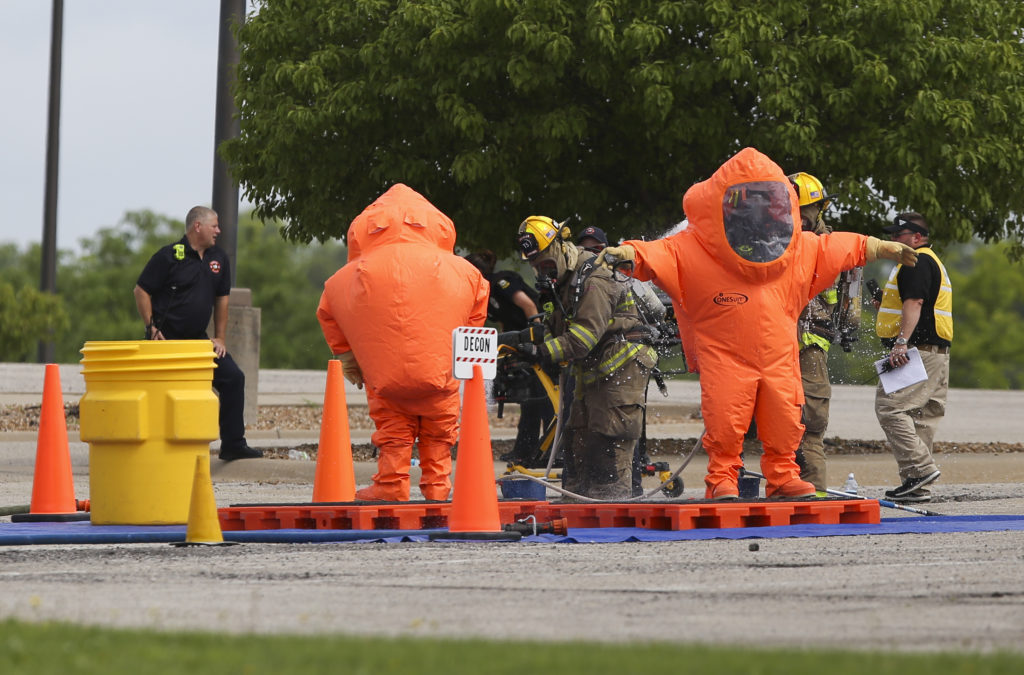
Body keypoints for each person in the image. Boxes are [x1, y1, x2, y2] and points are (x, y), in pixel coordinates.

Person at [596, 147, 917, 500]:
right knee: (725, 421)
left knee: (786, 419)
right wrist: (629, 252)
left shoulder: (795, 250)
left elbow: (835, 247)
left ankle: (783, 475)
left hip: (779, 358)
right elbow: (658, 254)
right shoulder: (696, 248)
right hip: (726, 357)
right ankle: (722, 478)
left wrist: (878, 247)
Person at [317, 184, 489, 501]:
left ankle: (391, 484)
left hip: (384, 378)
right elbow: (476, 312)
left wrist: (349, 357)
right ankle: (438, 486)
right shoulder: (466, 273)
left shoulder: (347, 276)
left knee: (393, 428)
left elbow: (328, 311)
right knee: (440, 432)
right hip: (442, 375)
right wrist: (458, 355)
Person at [510, 216, 658, 500]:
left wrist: (542, 352)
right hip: (591, 368)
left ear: (560, 247)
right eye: (536, 266)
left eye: (545, 263)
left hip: (620, 365)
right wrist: (530, 343)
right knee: (578, 439)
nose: (541, 270)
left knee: (608, 440)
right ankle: (579, 507)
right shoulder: (563, 282)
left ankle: (614, 508)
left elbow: (583, 337)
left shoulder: (594, 278)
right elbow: (557, 330)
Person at [133, 205, 261, 461]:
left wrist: (220, 337)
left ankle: (233, 444)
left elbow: (222, 299)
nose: (218, 231)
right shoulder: (169, 255)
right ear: (197, 226)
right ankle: (155, 447)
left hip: (198, 341)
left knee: (233, 377)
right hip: (166, 342)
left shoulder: (219, 259)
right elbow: (141, 290)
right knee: (161, 395)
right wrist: (151, 327)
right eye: (214, 225)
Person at [872, 212, 952, 503]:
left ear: (917, 237)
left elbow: (916, 302)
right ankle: (918, 487)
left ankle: (921, 470)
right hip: (938, 354)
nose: (893, 240)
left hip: (916, 352)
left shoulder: (914, 261)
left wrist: (900, 343)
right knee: (923, 418)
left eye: (899, 235)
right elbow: (921, 303)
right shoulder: (933, 261)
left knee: (890, 408)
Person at [465, 250, 555, 466]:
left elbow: (529, 306)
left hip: (538, 342)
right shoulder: (484, 295)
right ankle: (524, 449)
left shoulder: (501, 282)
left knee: (543, 398)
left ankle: (550, 451)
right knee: (529, 400)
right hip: (521, 346)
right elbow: (504, 322)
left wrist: (538, 341)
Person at [789, 172, 844, 493]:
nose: (797, 218)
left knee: (809, 426)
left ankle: (814, 497)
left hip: (808, 345)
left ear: (818, 208)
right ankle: (785, 492)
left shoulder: (825, 246)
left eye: (803, 211)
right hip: (777, 343)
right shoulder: (777, 241)